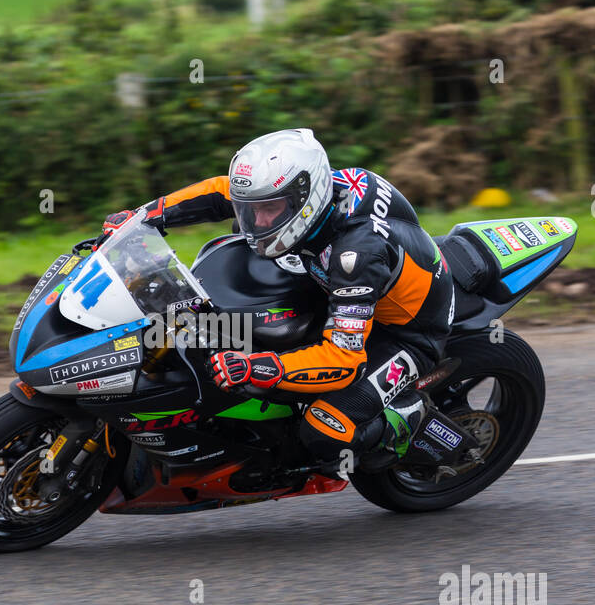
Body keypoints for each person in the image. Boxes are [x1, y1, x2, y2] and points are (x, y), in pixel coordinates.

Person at [104, 128, 470, 471]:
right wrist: (143, 217)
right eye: (253, 209)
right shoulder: (315, 187)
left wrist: (259, 367)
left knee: (324, 431)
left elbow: (345, 359)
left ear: (304, 200)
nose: (256, 221)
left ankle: (408, 423)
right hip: (342, 284)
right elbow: (223, 190)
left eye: (268, 210)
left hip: (406, 333)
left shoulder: (356, 256)